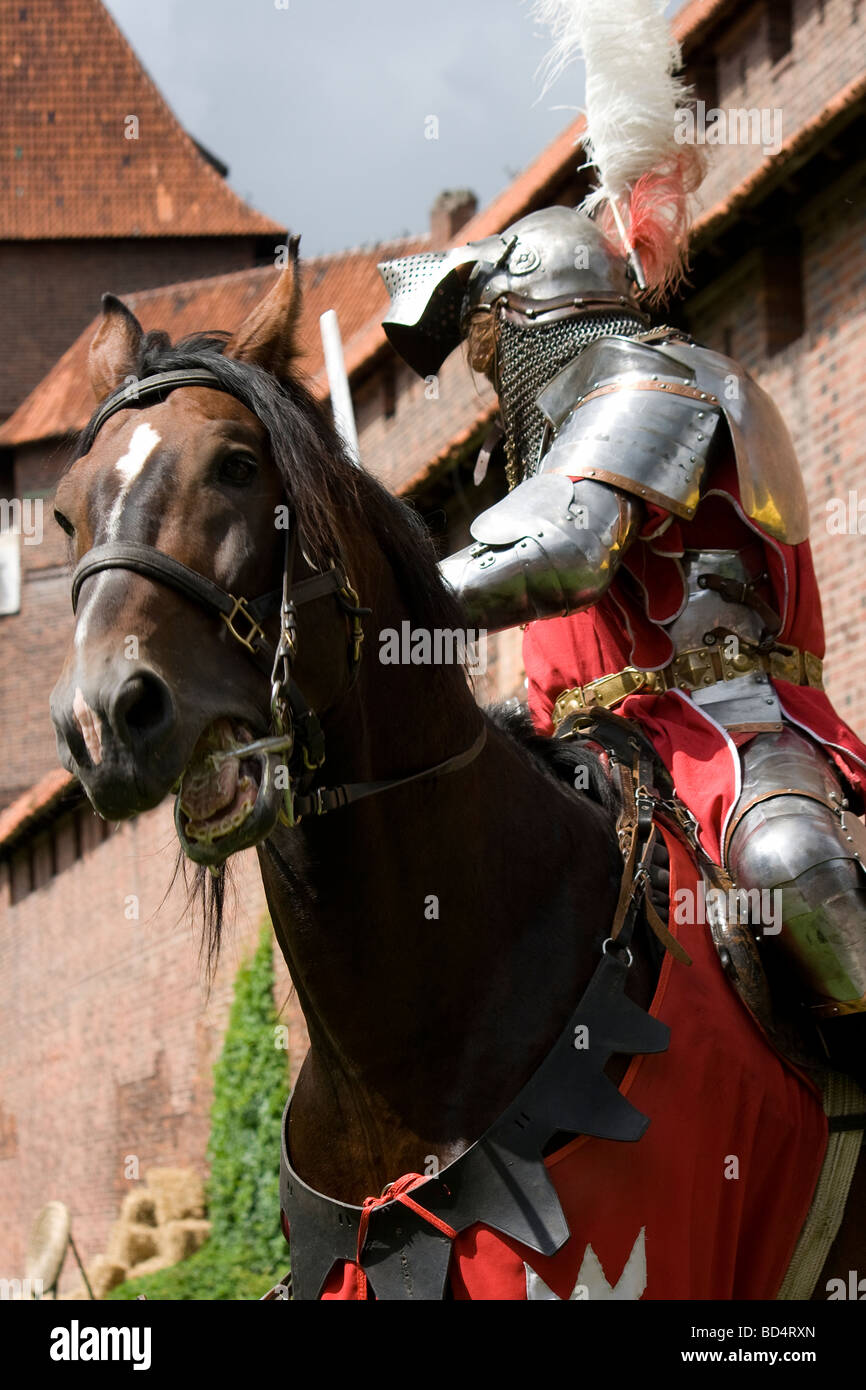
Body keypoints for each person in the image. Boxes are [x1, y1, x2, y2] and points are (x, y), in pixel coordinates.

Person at [378, 203, 866, 1072]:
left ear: (526, 322)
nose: (499, 384)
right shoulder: (553, 434)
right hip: (595, 753)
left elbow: (568, 550)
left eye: (495, 353)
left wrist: (385, 608)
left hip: (724, 724)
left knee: (790, 867)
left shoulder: (653, 383)